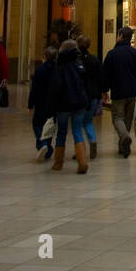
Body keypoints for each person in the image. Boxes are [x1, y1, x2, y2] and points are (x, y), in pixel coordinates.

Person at [101, 25, 136, 158]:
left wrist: (104, 90)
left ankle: (125, 137)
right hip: (132, 92)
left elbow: (105, 74)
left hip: (118, 91)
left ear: (120, 36)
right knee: (127, 120)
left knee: (117, 118)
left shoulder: (112, 54)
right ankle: (123, 147)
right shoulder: (135, 53)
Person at [46, 39, 90, 173]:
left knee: (62, 132)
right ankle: (82, 161)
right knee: (77, 131)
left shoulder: (59, 68)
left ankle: (58, 162)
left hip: (63, 104)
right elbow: (86, 85)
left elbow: (55, 89)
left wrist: (51, 106)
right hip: (79, 103)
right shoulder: (80, 66)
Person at [76, 34, 103, 160]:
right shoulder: (94, 59)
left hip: (80, 96)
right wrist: (101, 93)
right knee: (88, 122)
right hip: (93, 95)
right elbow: (99, 77)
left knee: (77, 124)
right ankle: (92, 141)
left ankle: (80, 150)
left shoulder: (76, 60)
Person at [28, 47, 57, 161]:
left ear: (44, 57)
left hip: (41, 102)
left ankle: (42, 143)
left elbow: (34, 88)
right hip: (53, 103)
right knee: (49, 126)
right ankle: (48, 149)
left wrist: (31, 104)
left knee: (37, 124)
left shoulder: (40, 70)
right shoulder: (58, 69)